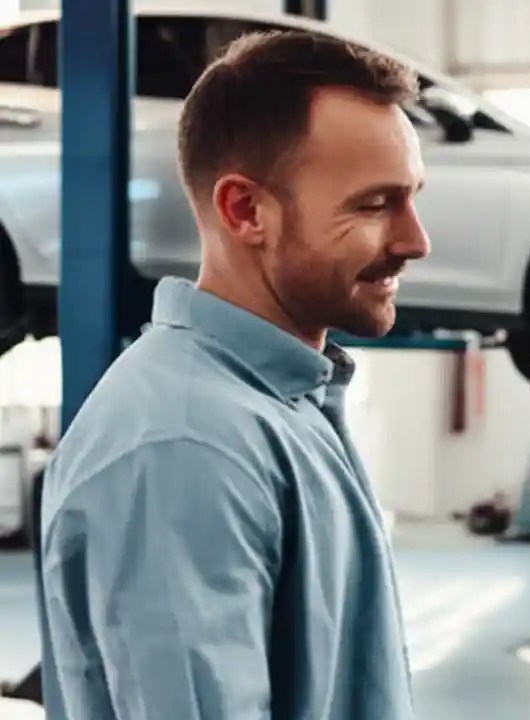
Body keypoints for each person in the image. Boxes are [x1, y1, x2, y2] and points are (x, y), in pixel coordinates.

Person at [37, 31, 430, 718]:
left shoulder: (280, 403)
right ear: (245, 210)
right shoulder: (184, 449)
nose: (414, 241)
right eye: (374, 205)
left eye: (412, 198)